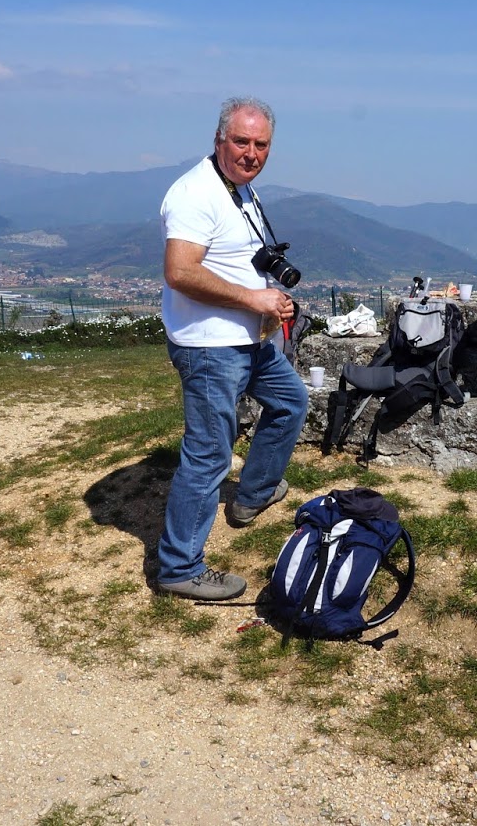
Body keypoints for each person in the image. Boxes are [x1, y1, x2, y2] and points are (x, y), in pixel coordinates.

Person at [156, 97, 309, 600]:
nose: (250, 152)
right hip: (210, 348)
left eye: (260, 144)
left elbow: (240, 260)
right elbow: (180, 272)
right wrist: (252, 297)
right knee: (208, 454)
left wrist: (269, 301)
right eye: (240, 141)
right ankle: (180, 566)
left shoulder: (240, 189)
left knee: (291, 402)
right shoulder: (195, 192)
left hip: (249, 338)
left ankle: (254, 494)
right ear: (219, 140)